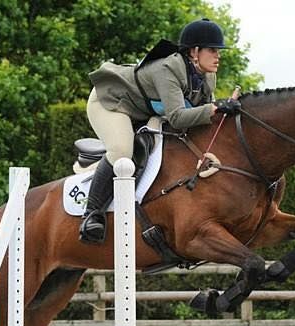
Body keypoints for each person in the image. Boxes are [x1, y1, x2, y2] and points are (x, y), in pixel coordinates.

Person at [79, 18, 241, 244]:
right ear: (194, 51)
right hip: (110, 102)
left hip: (145, 110)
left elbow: (199, 118)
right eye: (213, 50)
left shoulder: (207, 75)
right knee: (122, 150)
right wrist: (215, 107)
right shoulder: (169, 68)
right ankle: (92, 214)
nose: (218, 56)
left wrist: (223, 111)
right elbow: (177, 116)